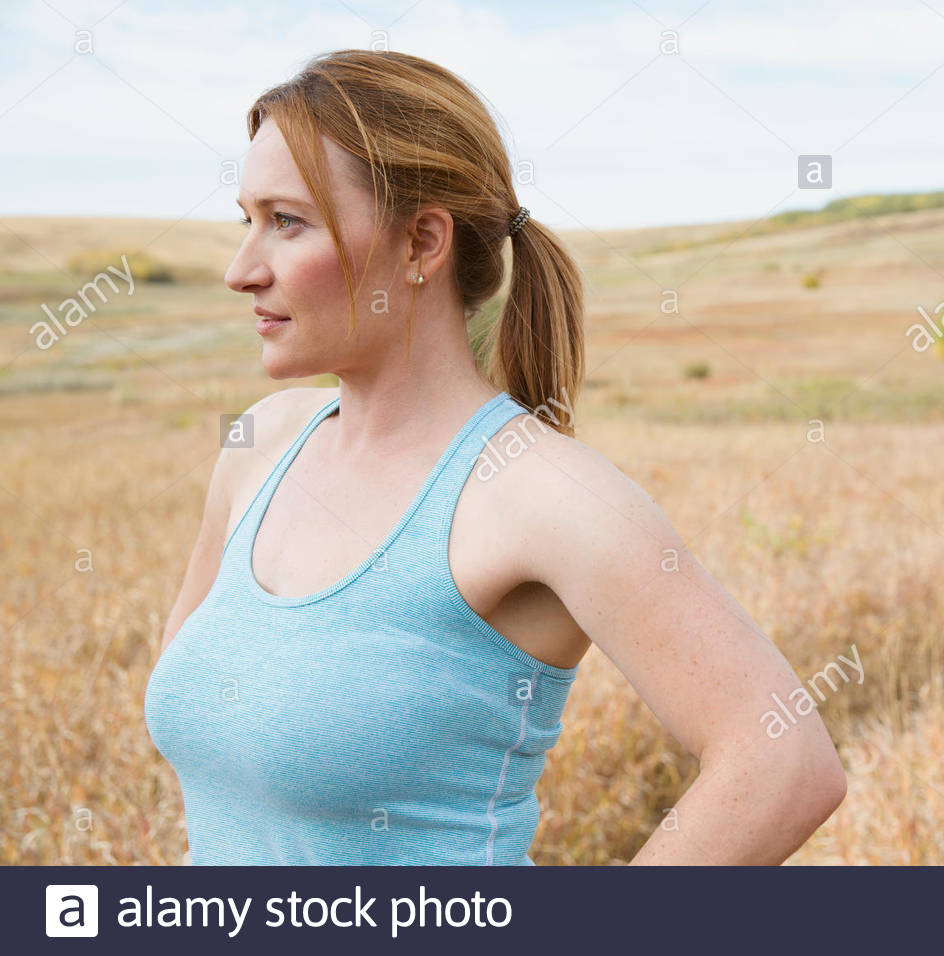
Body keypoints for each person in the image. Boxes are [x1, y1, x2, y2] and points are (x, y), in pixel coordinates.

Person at [143, 49, 845, 866]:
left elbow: (783, 762)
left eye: (287, 221)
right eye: (245, 220)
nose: (241, 269)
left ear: (422, 243)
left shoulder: (543, 496)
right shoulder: (259, 446)